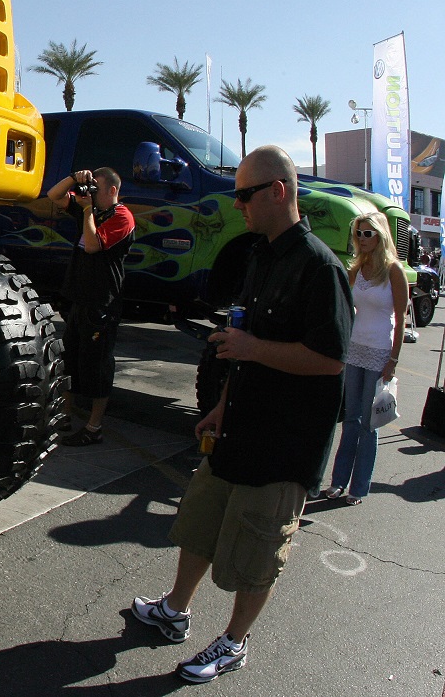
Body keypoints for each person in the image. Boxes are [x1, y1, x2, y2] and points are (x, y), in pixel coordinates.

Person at [131, 145, 352, 684]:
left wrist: (253, 349)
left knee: (256, 551)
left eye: (244, 194)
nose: (237, 205)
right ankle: (174, 610)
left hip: (284, 445)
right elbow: (244, 345)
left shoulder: (320, 268)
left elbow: (329, 360)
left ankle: (233, 643)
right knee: (200, 525)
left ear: (278, 190)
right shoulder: (261, 256)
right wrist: (220, 409)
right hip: (238, 429)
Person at [44, 167, 135, 446]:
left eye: (97, 189)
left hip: (102, 301)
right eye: (90, 188)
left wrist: (86, 211)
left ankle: (94, 427)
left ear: (113, 191)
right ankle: (65, 415)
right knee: (70, 360)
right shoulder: (93, 209)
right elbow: (53, 195)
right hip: (80, 298)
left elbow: (94, 245)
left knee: (97, 366)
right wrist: (75, 178)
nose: (91, 194)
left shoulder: (121, 216)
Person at [323, 213, 406, 506]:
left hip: (379, 352)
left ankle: (358, 487)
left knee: (370, 425)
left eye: (368, 233)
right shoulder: (356, 269)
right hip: (354, 351)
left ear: (381, 235)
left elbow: (401, 319)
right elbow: (345, 307)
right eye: (359, 233)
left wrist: (393, 360)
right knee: (350, 419)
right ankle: (337, 482)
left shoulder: (394, 271)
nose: (362, 238)